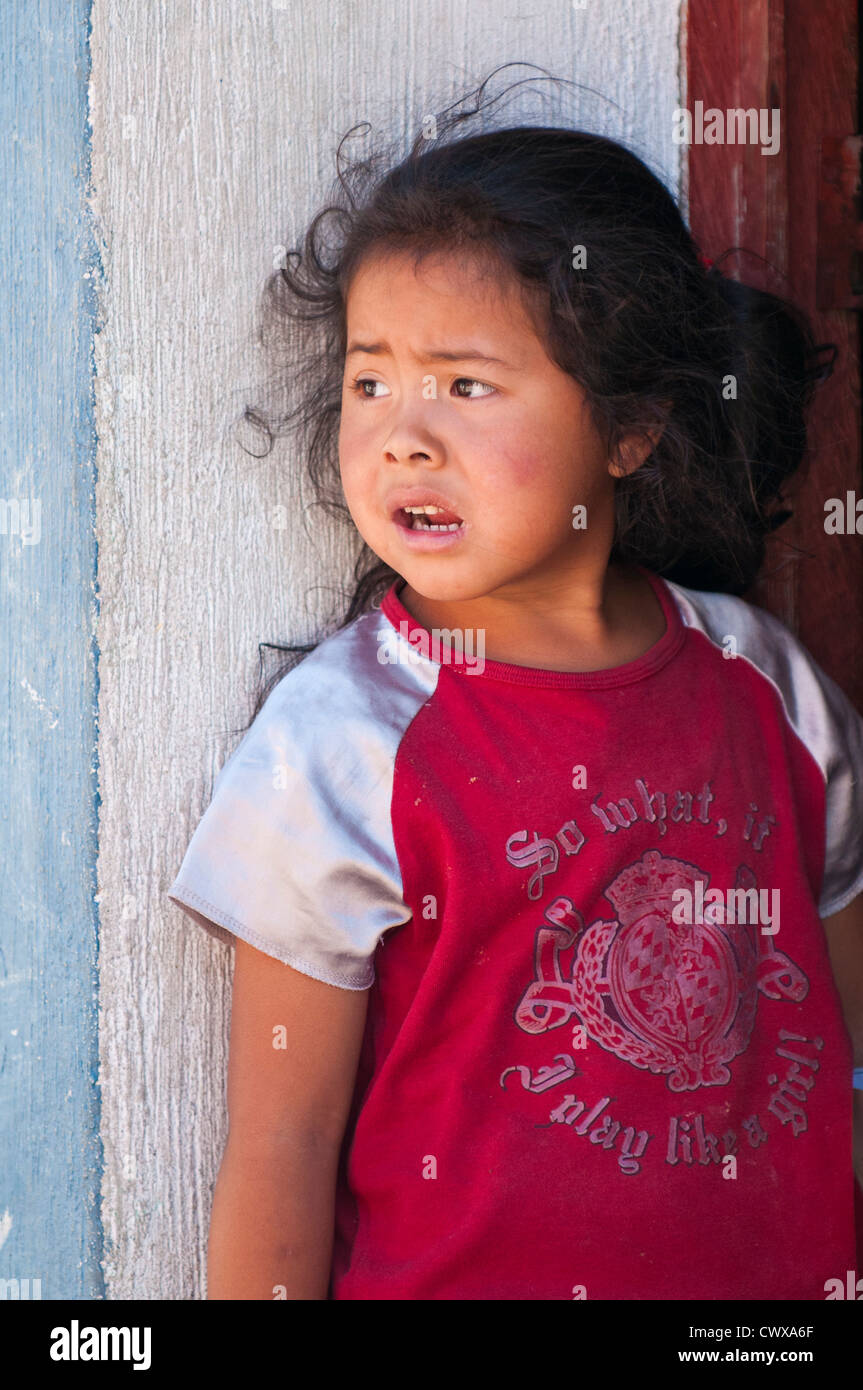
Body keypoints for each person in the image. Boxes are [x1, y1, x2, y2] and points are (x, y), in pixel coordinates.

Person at [167, 69, 863, 1300]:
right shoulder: (342, 744)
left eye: (465, 384)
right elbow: (279, 1151)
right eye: (369, 379)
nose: (402, 434)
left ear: (629, 428)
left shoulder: (770, 693)